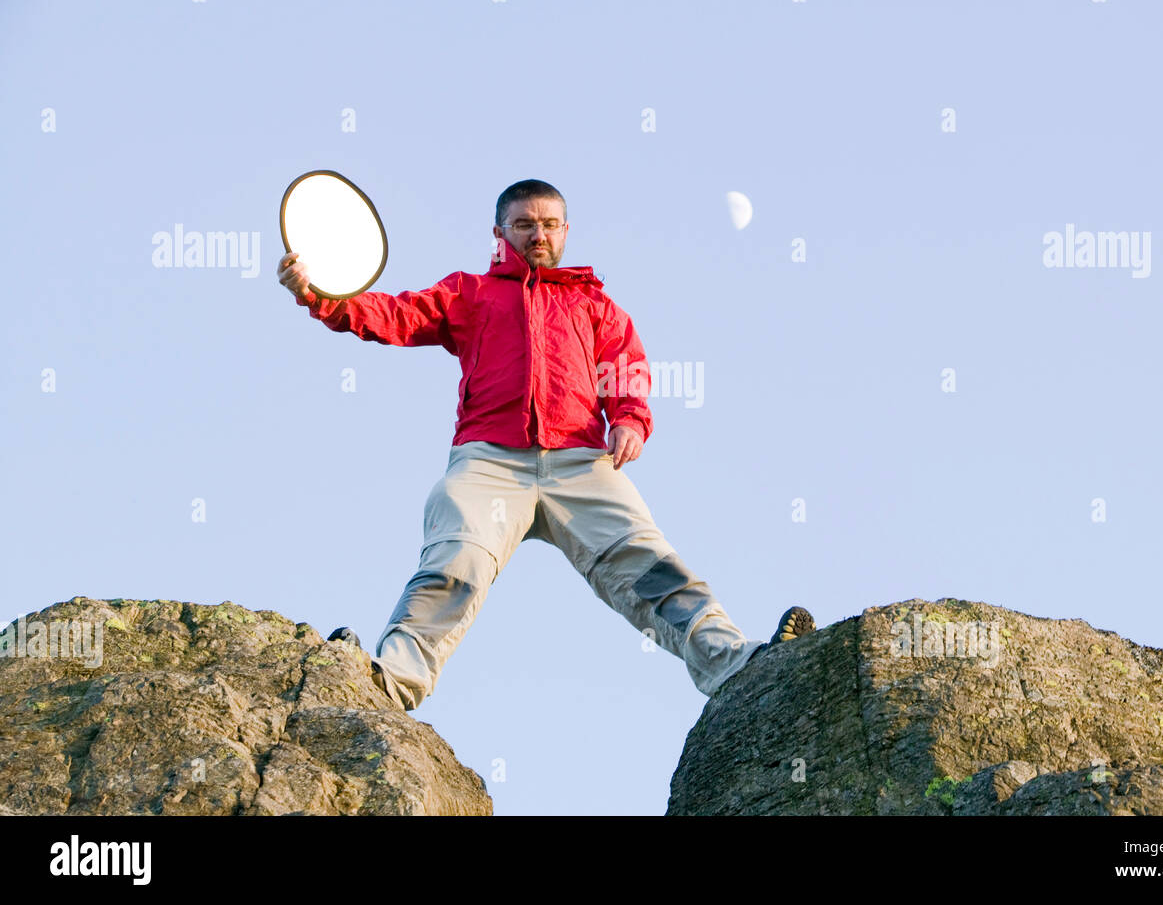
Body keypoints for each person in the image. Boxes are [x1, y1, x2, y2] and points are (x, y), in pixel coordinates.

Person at [277, 178, 814, 710]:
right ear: (499, 232)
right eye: (525, 224)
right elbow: (396, 314)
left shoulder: (594, 304)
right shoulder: (469, 292)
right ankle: (391, 679)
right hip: (489, 460)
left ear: (565, 230)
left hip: (582, 460)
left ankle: (738, 663)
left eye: (550, 224)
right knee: (454, 560)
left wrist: (629, 419)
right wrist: (318, 293)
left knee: (649, 564)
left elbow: (624, 367)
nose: (539, 234)